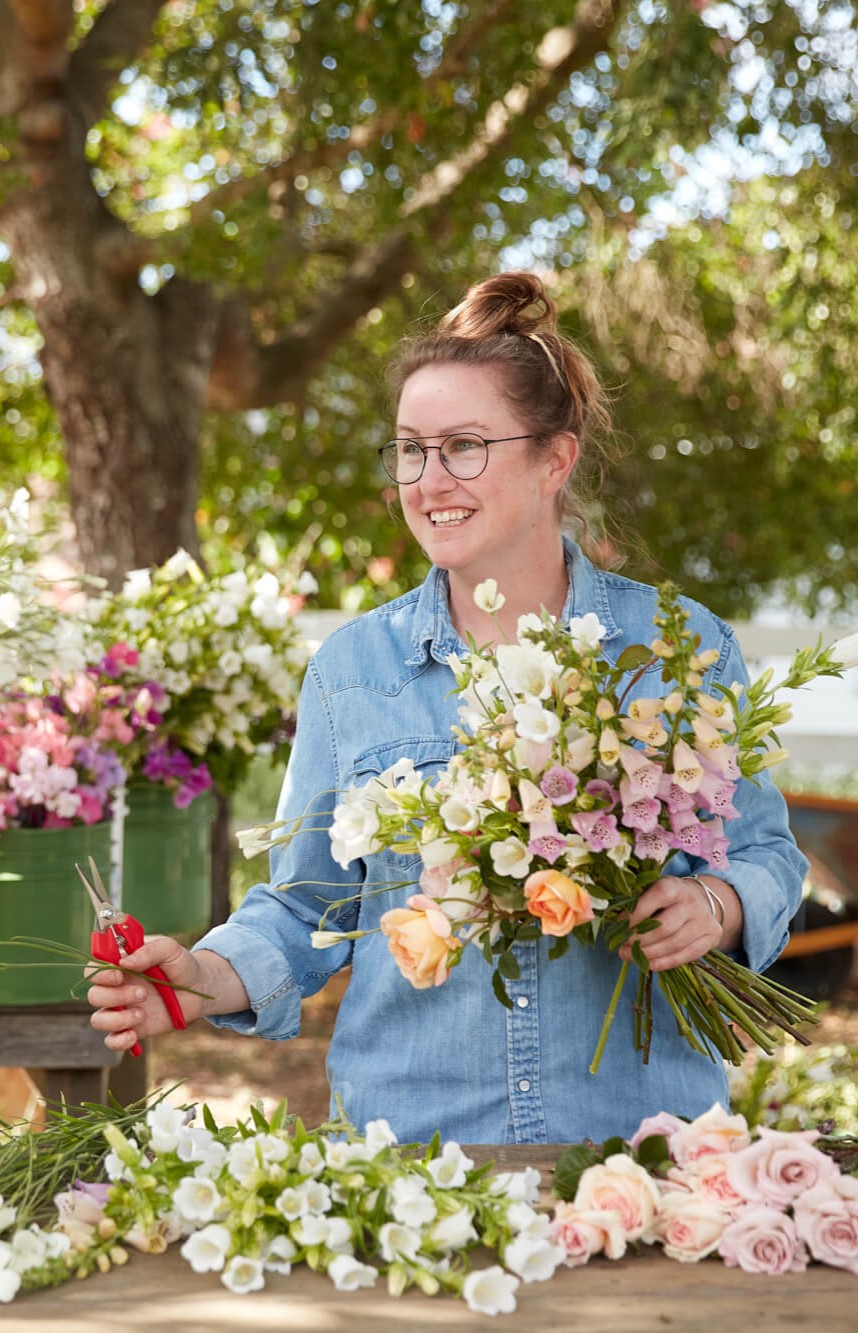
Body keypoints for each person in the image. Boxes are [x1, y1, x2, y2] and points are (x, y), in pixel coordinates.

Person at [87, 271, 809, 1145]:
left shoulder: (672, 647)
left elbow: (767, 852)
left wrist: (718, 907)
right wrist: (199, 977)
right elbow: (306, 907)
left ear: (555, 459)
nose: (429, 480)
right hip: (416, 1151)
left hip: (642, 1143)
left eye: (464, 445)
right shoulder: (353, 670)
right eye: (410, 450)